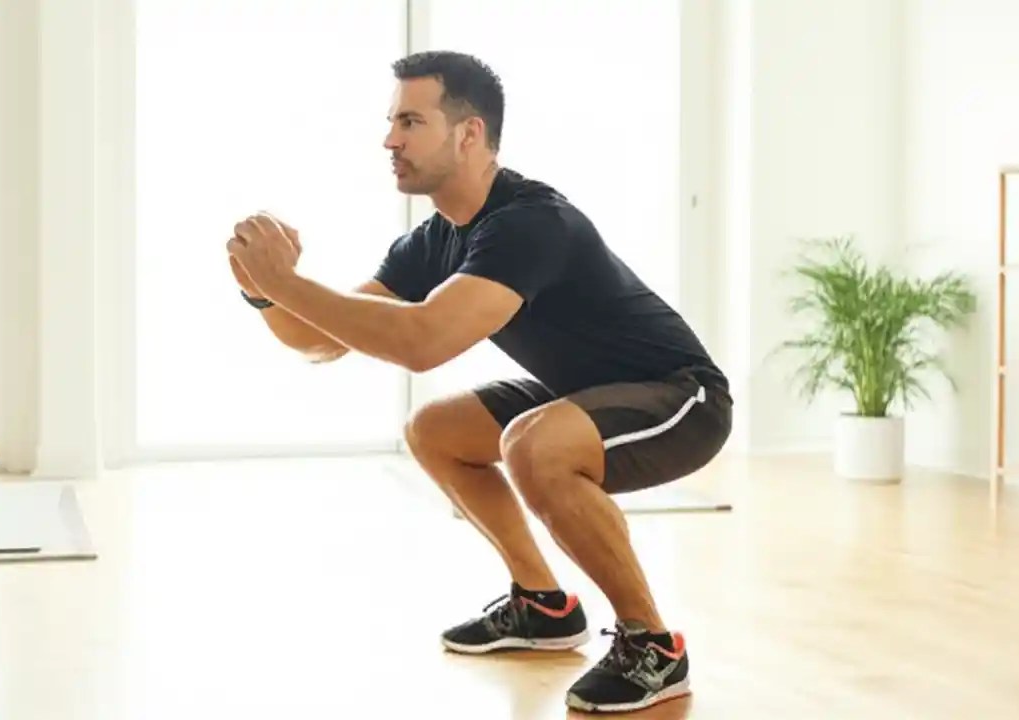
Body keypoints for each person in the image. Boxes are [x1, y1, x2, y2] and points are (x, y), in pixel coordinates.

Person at [226, 50, 732, 714]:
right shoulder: (436, 240)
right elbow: (322, 341)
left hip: (681, 397)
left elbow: (423, 342)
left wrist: (286, 283)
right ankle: (544, 607)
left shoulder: (528, 222)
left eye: (410, 121)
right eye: (390, 121)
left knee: (532, 445)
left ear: (468, 134)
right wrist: (263, 295)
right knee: (435, 431)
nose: (389, 139)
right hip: (582, 398)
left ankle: (652, 645)